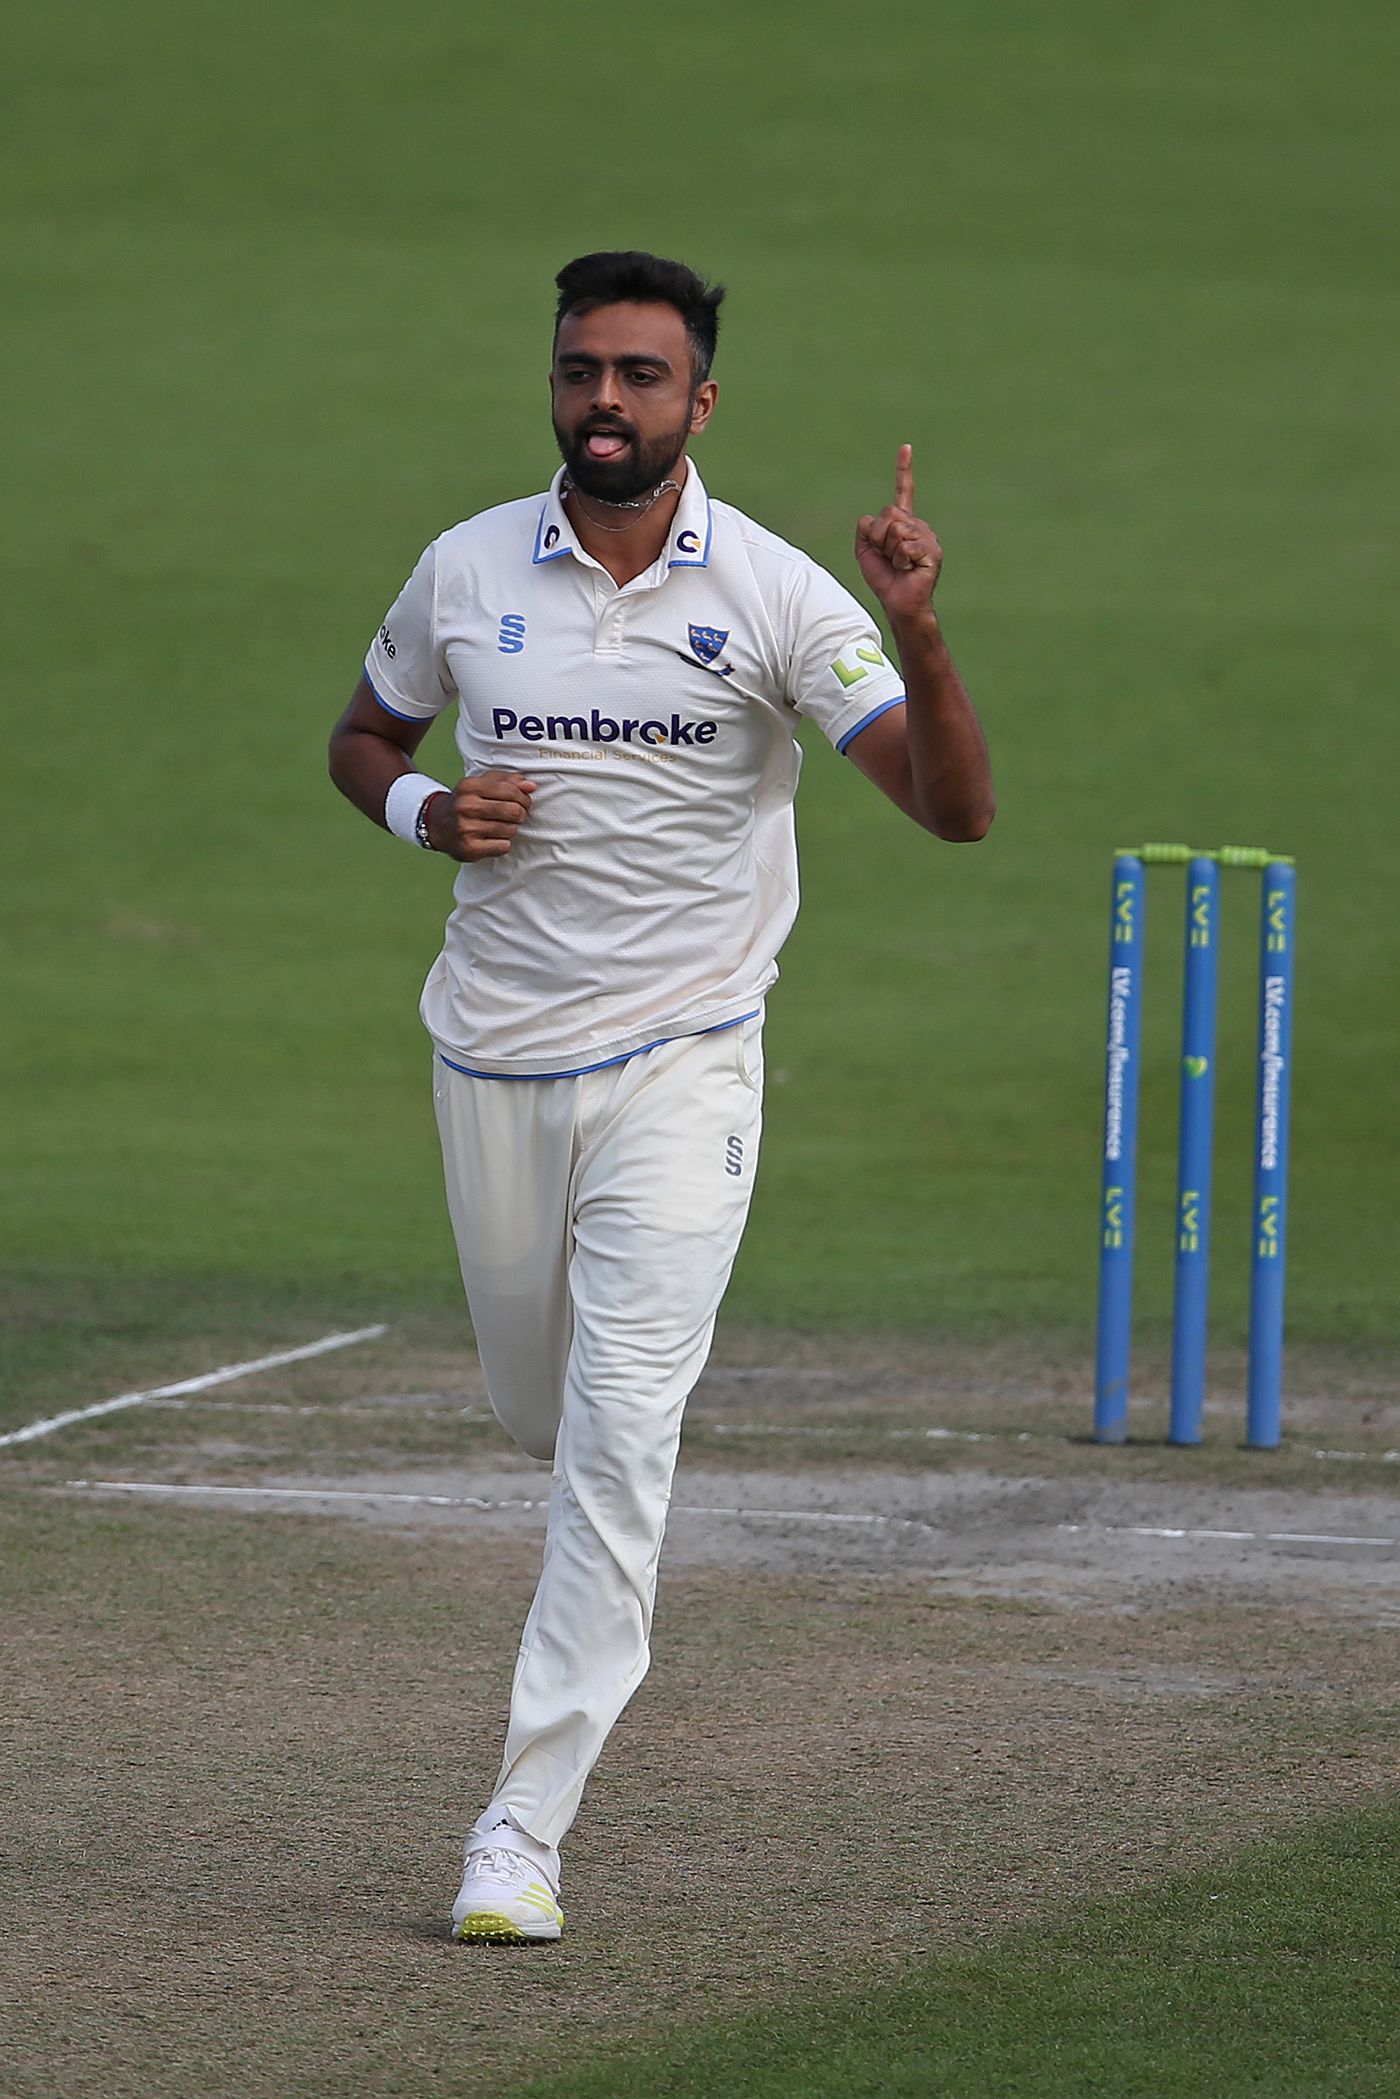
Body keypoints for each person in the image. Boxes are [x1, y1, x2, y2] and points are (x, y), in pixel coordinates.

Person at [328, 250, 994, 1945]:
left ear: (702, 403)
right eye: (579, 372)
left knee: (619, 1445)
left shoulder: (778, 596)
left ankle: (519, 1830)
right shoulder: (467, 566)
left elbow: (952, 810)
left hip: (690, 1062)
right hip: (491, 1051)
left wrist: (917, 631)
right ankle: (569, 1445)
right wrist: (423, 814)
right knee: (541, 1416)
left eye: (639, 375)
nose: (602, 401)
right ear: (553, 386)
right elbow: (363, 734)